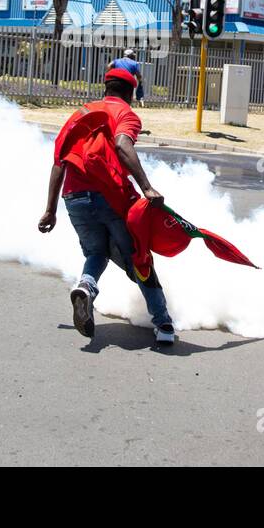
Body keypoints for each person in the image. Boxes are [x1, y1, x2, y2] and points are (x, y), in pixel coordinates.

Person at [38, 66, 174, 343]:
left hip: (74, 198)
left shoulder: (81, 113)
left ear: (106, 88)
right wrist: (146, 187)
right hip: (110, 197)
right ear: (130, 93)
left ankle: (86, 288)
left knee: (97, 252)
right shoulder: (126, 114)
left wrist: (50, 209)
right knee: (139, 258)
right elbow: (123, 145)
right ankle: (164, 325)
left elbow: (58, 163)